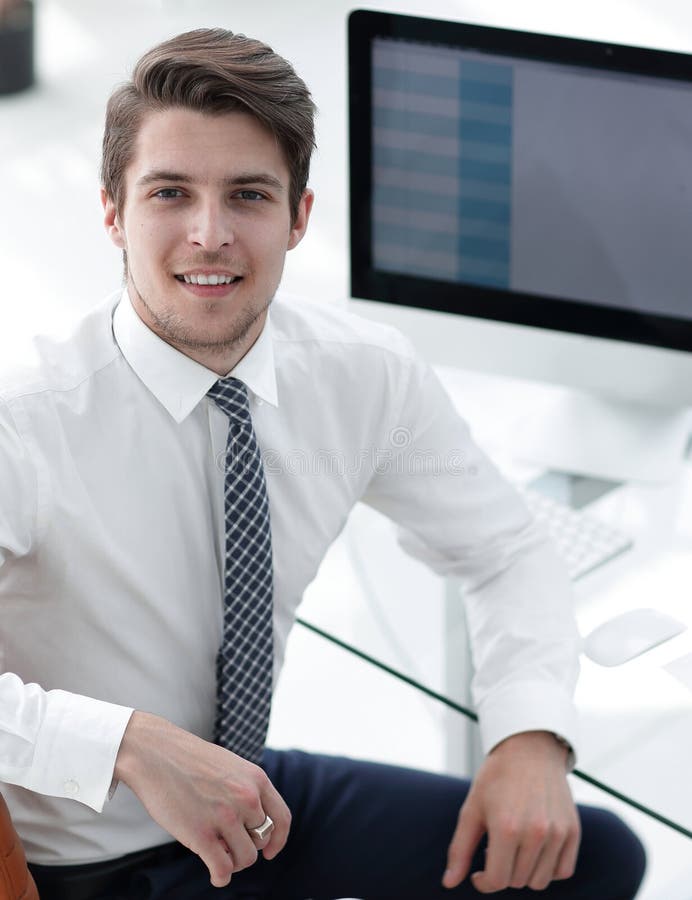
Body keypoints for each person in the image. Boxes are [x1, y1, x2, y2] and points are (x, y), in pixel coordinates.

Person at [0, 26, 645, 900]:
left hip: (256, 805)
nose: (210, 233)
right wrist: (125, 743)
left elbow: (506, 549)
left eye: (249, 195)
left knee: (589, 858)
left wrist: (529, 735)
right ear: (113, 211)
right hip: (83, 859)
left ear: (299, 216)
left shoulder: (361, 375)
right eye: (170, 193)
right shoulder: (25, 420)